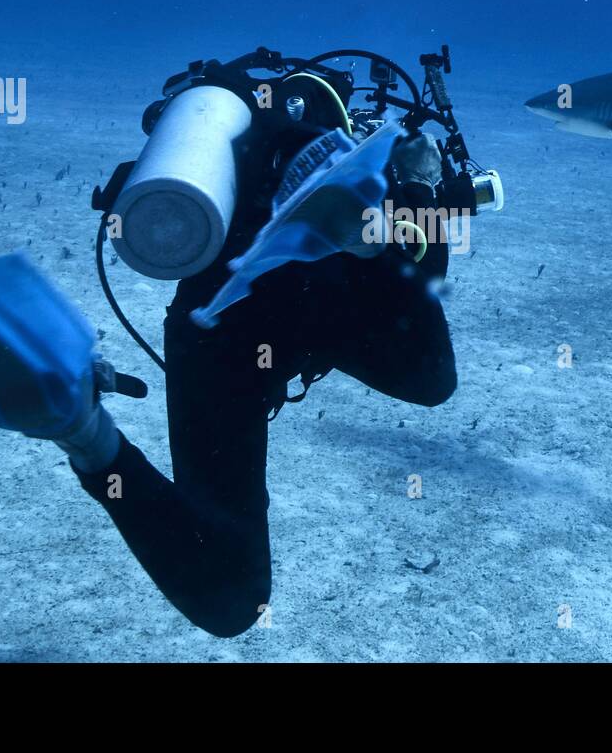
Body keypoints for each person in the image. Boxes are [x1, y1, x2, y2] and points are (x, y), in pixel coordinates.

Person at [39, 132, 456, 637]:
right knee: (431, 377)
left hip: (217, 324)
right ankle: (355, 240)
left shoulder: (231, 161)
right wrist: (418, 187)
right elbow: (428, 269)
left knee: (231, 600)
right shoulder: (385, 168)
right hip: (329, 304)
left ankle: (88, 437)